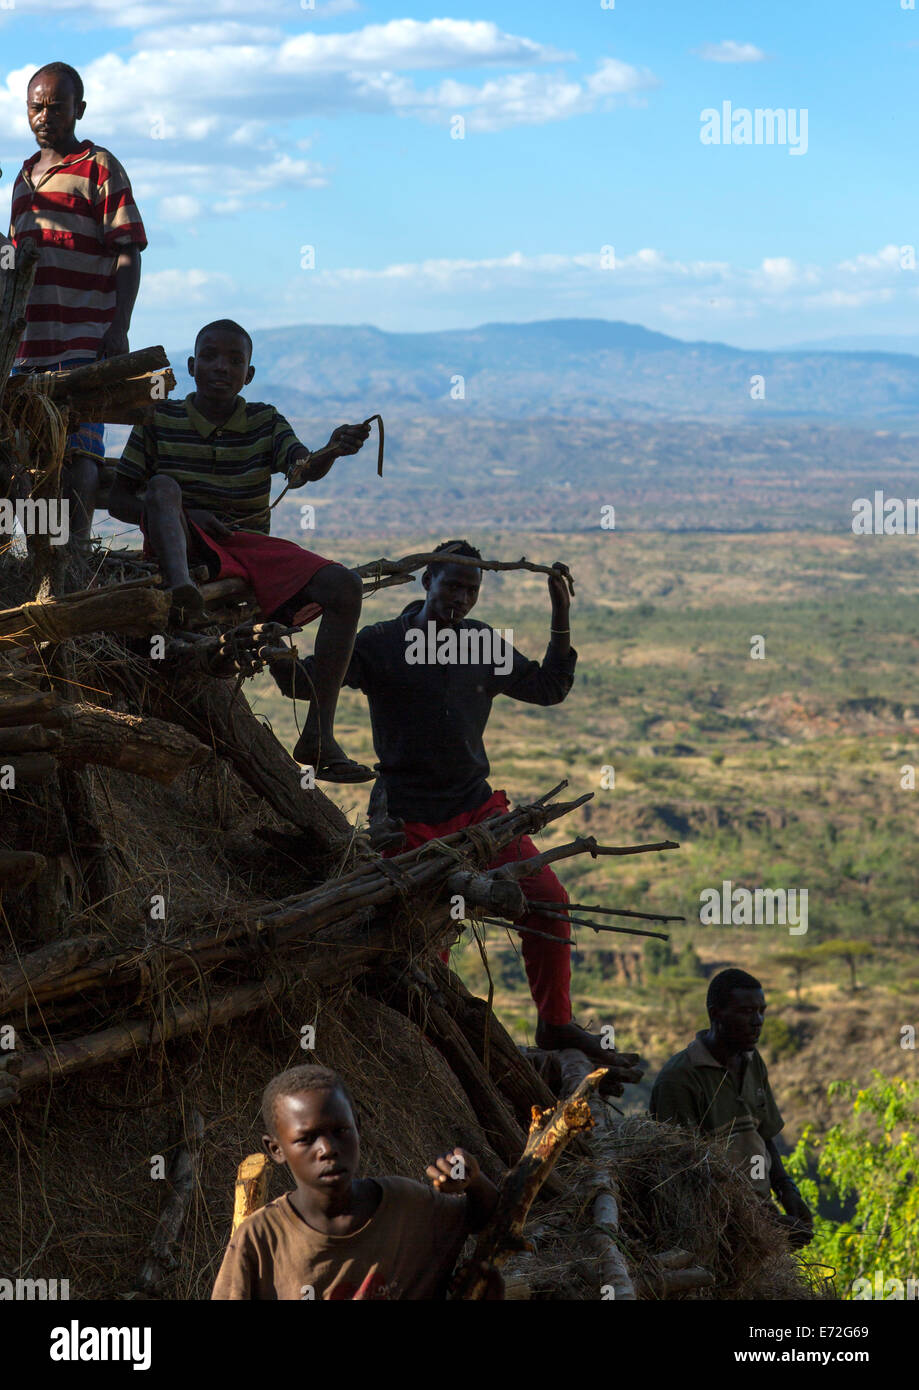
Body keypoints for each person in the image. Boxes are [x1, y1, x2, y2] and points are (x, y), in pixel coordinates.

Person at [270, 539, 644, 1084]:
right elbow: (306, 682)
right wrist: (278, 652)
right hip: (409, 816)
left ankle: (556, 1024)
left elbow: (549, 687)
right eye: (452, 586)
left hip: (477, 811)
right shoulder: (381, 642)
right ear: (427, 583)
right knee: (427, 943)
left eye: (471, 590)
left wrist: (560, 617)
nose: (461, 600)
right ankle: (428, 1058)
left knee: (549, 901)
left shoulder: (481, 644)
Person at [108, 318, 374, 782]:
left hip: (246, 545)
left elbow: (301, 468)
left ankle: (319, 736)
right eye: (209, 356)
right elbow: (120, 499)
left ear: (249, 375)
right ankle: (183, 592)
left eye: (235, 360)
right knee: (163, 485)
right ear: (191, 366)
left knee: (345, 586)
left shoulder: (265, 420)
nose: (221, 367)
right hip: (180, 544)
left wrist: (331, 450)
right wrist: (186, 512)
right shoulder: (159, 418)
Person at [211, 1064, 499, 1300]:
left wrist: (473, 1180)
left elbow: (490, 1219)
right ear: (276, 1149)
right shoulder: (262, 1239)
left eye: (340, 1131)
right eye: (306, 1139)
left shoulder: (405, 1206)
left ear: (358, 1128)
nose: (327, 1149)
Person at [9, 61, 146, 551]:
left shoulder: (100, 167)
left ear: (79, 110)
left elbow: (127, 249)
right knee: (25, 461)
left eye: (57, 106)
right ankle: (37, 569)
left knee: (78, 458)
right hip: (27, 350)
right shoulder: (23, 180)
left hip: (84, 343)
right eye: (36, 106)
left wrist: (119, 328)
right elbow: (16, 266)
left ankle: (74, 562)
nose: (45, 115)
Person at [650, 968, 813, 1246]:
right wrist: (757, 1223)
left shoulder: (752, 1061)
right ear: (716, 1015)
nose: (758, 1021)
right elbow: (681, 1179)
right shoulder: (679, 1080)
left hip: (756, 1218)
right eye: (746, 1011)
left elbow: (763, 1134)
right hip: (709, 1234)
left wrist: (788, 1191)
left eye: (761, 1011)